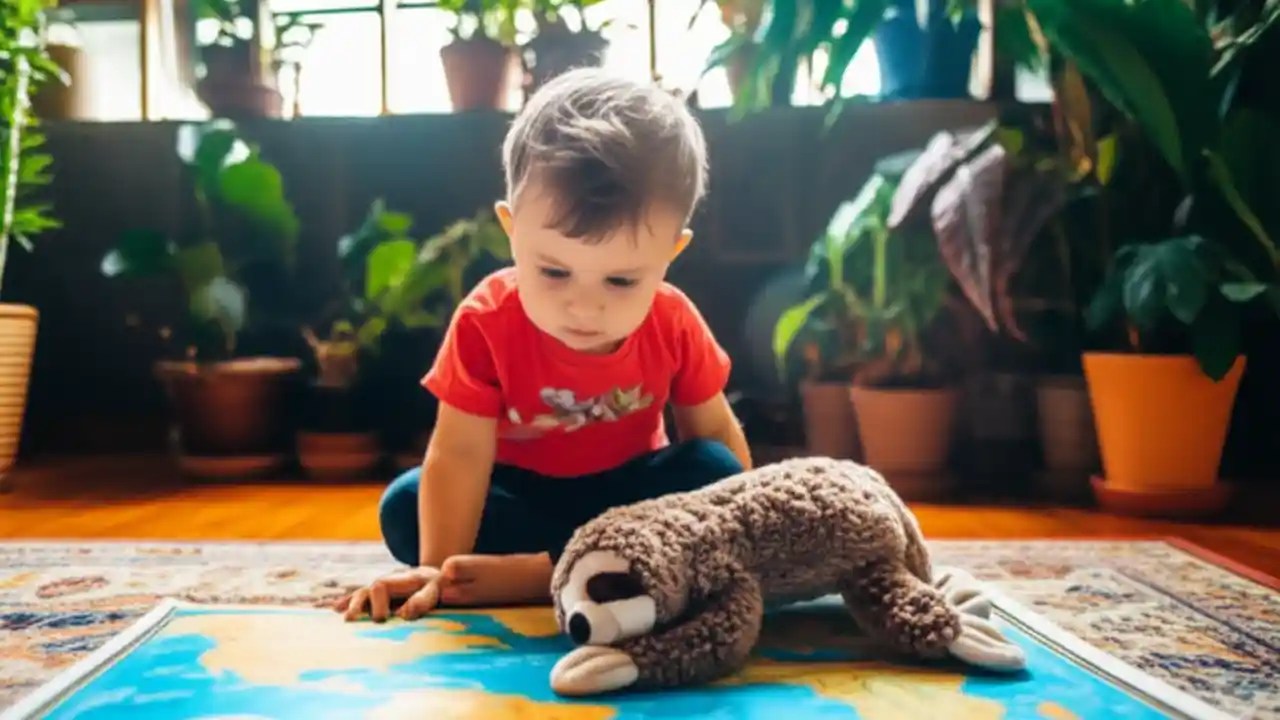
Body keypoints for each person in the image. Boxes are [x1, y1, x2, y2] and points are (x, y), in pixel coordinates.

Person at [336, 68, 752, 623]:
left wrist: (754, 524)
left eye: (621, 281)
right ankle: (582, 570)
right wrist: (437, 569)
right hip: (522, 498)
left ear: (671, 254)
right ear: (512, 230)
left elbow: (715, 432)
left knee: (713, 468)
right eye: (554, 272)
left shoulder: (673, 320)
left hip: (631, 503)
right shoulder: (486, 321)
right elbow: (460, 453)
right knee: (407, 507)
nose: (584, 307)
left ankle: (541, 573)